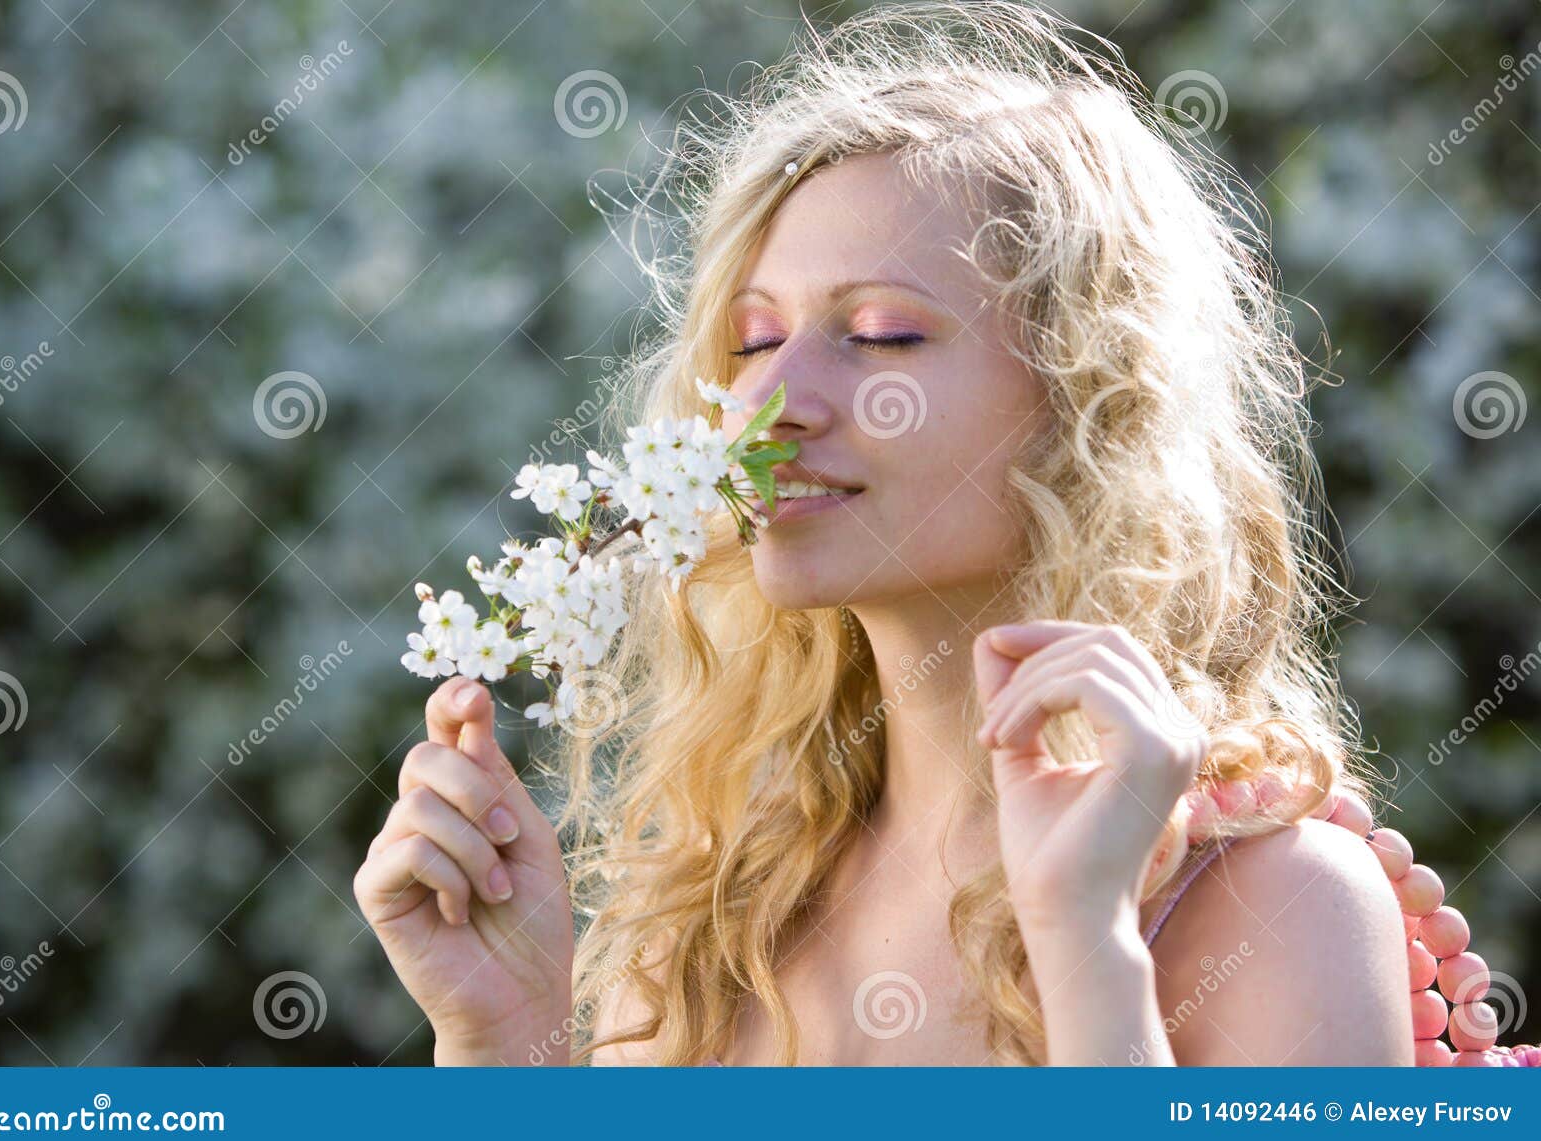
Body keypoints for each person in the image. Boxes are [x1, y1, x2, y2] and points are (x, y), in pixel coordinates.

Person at [354, 1, 1486, 1066]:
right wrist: (503, 1044)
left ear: (1092, 400)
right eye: (752, 342)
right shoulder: (707, 930)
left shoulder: (1270, 903)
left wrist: (1088, 944)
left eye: (881, 334)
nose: (771, 400)